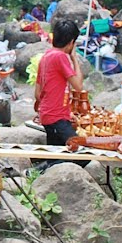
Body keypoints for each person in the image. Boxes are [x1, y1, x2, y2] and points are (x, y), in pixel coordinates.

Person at [34, 21, 86, 157]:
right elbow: (79, 86)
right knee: (81, 153)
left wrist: (66, 111)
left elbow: (38, 94)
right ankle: (38, 170)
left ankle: (42, 170)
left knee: (56, 153)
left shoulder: (46, 56)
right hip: (56, 117)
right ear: (71, 42)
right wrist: (74, 59)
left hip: (48, 114)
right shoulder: (60, 56)